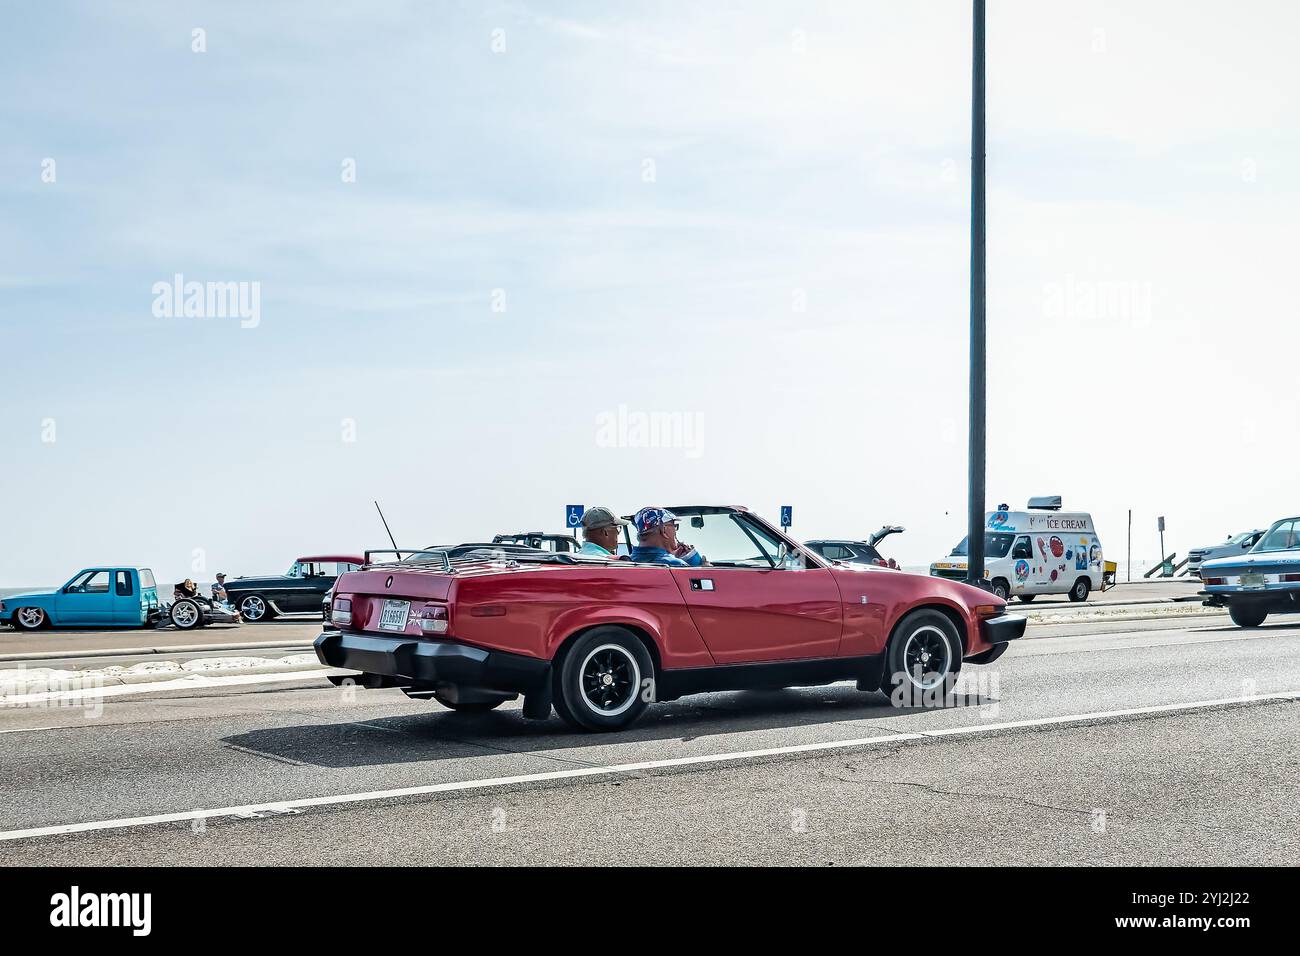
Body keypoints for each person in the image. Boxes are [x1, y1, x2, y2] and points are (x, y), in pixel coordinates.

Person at [629, 507, 704, 566]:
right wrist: (705, 568)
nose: (675, 531)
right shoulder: (676, 565)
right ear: (664, 530)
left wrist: (670, 555)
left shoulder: (626, 561)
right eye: (674, 526)